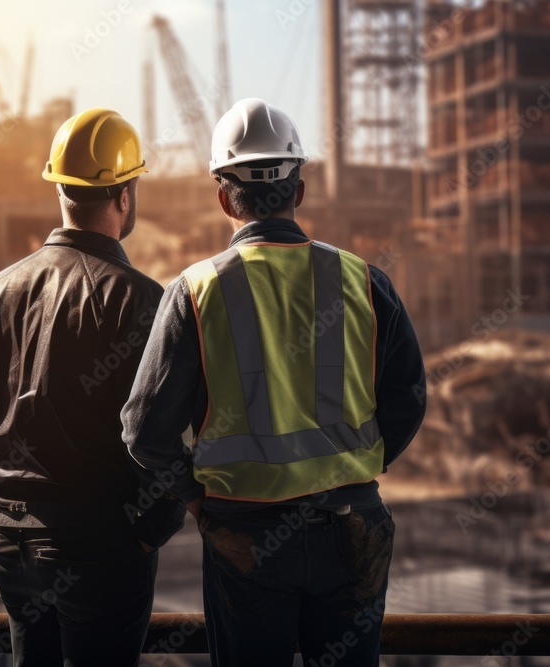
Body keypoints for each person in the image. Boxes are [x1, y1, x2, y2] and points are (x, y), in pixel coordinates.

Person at [121, 98, 427, 666]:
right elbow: (410, 397)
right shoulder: (363, 281)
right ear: (299, 191)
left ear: (221, 196)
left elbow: (143, 429)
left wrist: (196, 501)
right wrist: (358, 467)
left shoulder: (194, 291)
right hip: (352, 525)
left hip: (245, 535)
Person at [0, 108, 184, 667]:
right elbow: (159, 432)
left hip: (10, 546)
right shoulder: (139, 300)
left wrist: (9, 503)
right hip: (100, 549)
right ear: (125, 194)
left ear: (59, 186)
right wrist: (151, 530)